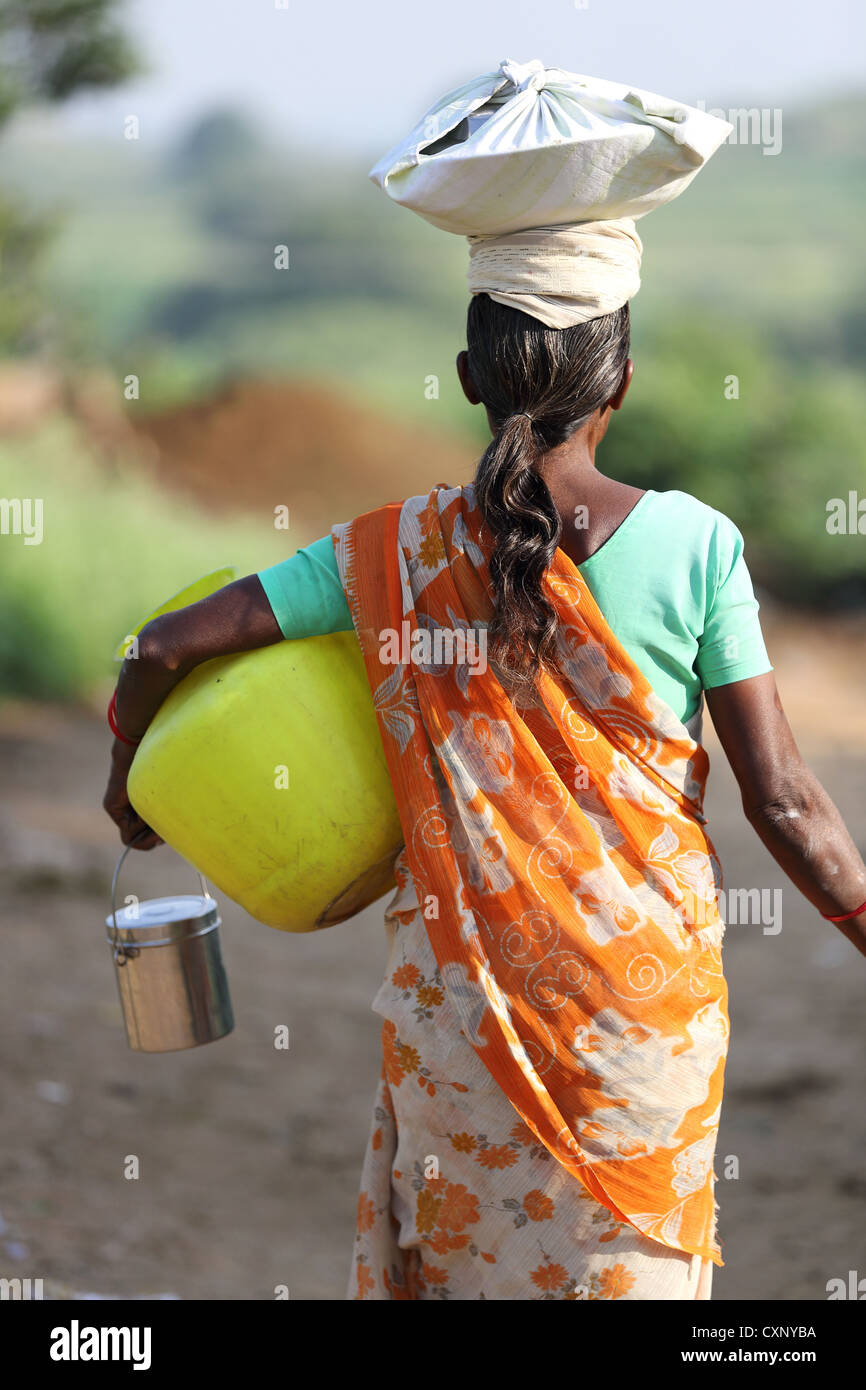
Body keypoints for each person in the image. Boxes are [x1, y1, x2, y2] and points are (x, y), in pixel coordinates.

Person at [103, 62, 866, 1301]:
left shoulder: (383, 552)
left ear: (470, 381)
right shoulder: (697, 546)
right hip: (641, 1031)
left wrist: (129, 789)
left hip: (461, 1023)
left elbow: (156, 646)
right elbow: (783, 802)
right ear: (619, 377)